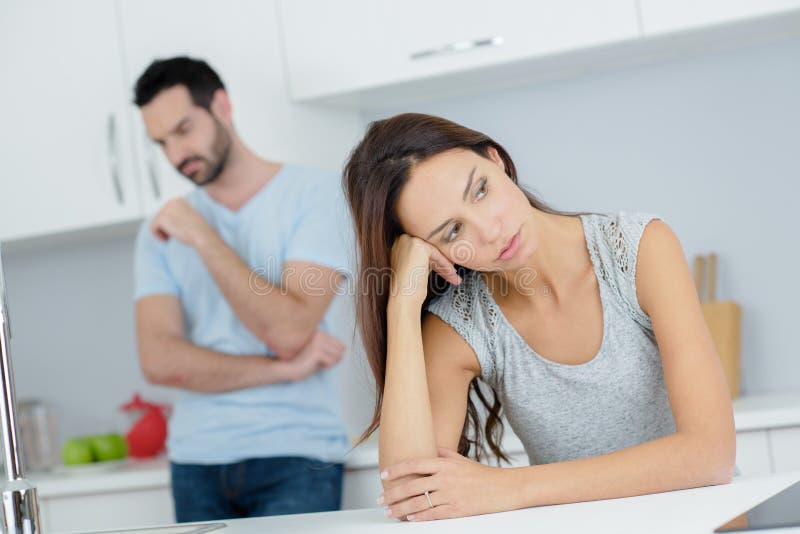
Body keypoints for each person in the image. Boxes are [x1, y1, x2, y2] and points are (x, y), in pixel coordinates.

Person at [342, 113, 736, 522]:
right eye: (453, 232)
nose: (490, 230)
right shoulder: (462, 325)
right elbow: (412, 493)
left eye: (480, 190)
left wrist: (510, 486)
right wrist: (403, 304)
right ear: (431, 252)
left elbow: (710, 455)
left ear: (497, 161)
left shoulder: (638, 251)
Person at [132, 57, 350, 521]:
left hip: (297, 455)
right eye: (161, 142)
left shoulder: (317, 195)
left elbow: (287, 332)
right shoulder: (159, 232)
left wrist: (203, 235)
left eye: (184, 129)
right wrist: (281, 371)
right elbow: (159, 361)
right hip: (195, 461)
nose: (175, 155)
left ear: (221, 105)